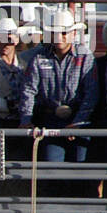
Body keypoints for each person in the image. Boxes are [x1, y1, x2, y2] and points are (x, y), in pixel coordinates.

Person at [18, 10, 98, 164]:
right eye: (54, 33)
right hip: (50, 119)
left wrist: (78, 122)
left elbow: (91, 94)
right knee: (52, 167)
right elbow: (28, 90)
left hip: (79, 120)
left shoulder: (85, 56)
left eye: (64, 33)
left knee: (80, 170)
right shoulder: (39, 57)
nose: (59, 37)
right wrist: (26, 119)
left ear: (73, 34)